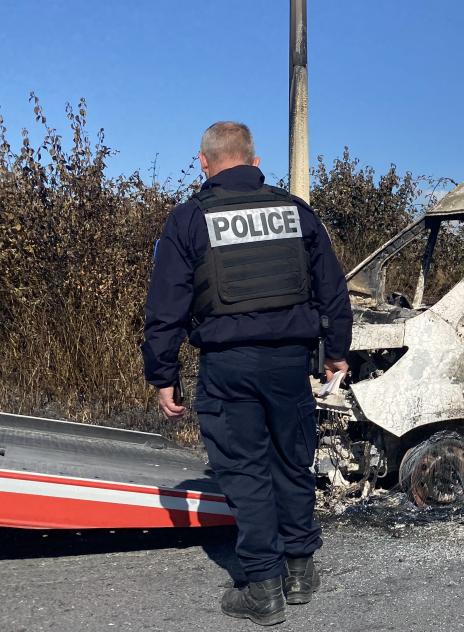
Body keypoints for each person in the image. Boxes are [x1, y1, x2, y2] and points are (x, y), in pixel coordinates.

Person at [142, 121, 352, 626]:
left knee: (245, 471)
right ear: (255, 164)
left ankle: (263, 587)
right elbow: (332, 286)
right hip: (289, 362)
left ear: (204, 162)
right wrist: (336, 351)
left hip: (229, 365)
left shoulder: (190, 218)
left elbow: (167, 304)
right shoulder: (296, 212)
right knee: (291, 460)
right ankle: (300, 571)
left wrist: (162, 373)